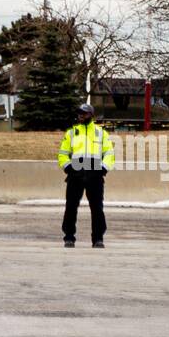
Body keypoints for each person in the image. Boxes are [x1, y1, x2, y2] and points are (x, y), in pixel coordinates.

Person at [57, 103, 115, 248]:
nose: (81, 116)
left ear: (91, 115)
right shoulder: (71, 132)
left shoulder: (101, 133)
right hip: (75, 172)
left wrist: (103, 169)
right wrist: (68, 167)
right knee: (71, 206)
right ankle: (69, 237)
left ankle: (98, 238)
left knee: (97, 208)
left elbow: (109, 153)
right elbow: (63, 154)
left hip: (95, 172)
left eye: (84, 113)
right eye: (79, 113)